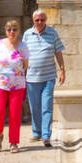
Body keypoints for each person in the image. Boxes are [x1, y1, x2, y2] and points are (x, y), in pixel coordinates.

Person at [23, 9, 66, 147]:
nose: (40, 22)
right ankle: (37, 132)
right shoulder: (27, 34)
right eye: (37, 20)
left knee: (46, 106)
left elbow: (58, 52)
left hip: (48, 77)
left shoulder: (52, 33)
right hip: (31, 78)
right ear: (33, 21)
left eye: (42, 20)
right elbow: (22, 55)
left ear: (45, 20)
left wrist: (62, 70)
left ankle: (46, 135)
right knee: (35, 107)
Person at [0, 20, 29, 152]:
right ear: (6, 31)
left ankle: (13, 142)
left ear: (18, 31)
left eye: (14, 30)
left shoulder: (23, 46)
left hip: (17, 84)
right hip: (0, 83)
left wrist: (17, 72)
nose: (12, 32)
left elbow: (26, 65)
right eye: (9, 29)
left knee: (15, 113)